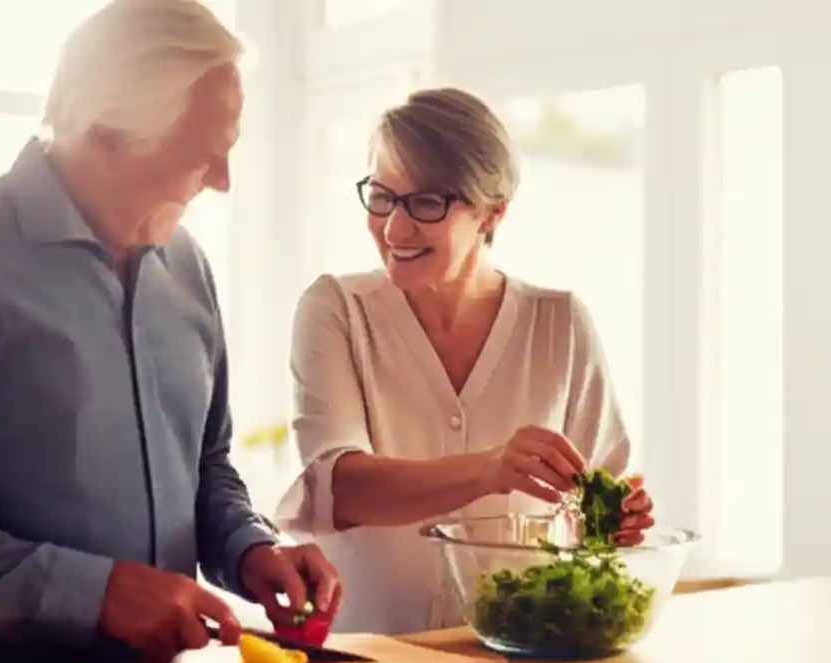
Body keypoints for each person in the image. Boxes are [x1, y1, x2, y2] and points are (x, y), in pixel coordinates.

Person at [0, 0, 339, 663]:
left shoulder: (187, 265)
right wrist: (97, 592)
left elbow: (207, 467)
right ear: (106, 135)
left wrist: (249, 546)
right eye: (200, 153)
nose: (223, 179)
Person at [274, 88, 653, 635]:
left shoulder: (560, 325)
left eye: (427, 203)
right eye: (382, 196)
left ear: (491, 213)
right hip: (373, 662)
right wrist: (489, 467)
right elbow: (342, 488)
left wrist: (616, 521)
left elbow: (592, 510)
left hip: (521, 661)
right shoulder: (337, 309)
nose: (394, 229)